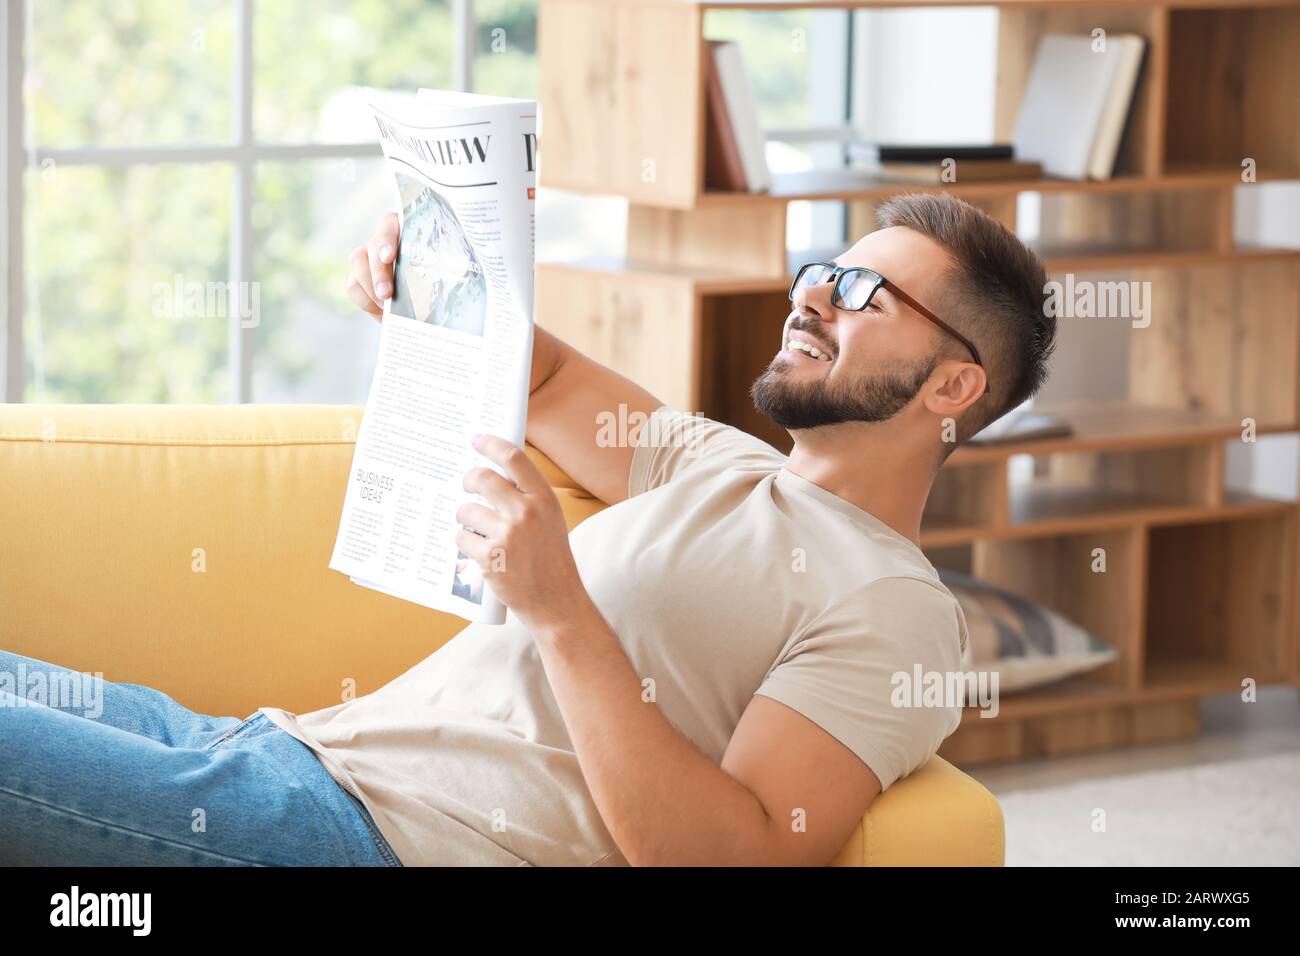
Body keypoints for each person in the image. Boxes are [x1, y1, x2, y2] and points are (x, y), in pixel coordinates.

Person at [0, 193, 1054, 866]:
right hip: (268, 746)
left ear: (953, 383)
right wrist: (428, 271)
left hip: (355, 838)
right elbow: (534, 369)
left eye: (861, 291)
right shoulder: (718, 461)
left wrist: (559, 606)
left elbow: (732, 857)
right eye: (820, 270)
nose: (813, 296)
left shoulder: (895, 608)